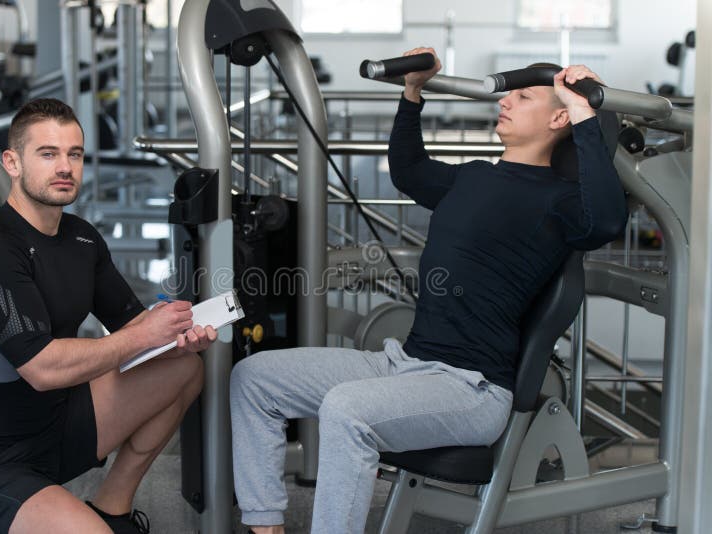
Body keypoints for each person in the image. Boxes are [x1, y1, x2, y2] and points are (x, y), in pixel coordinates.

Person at [229, 48, 627, 534]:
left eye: (523, 97)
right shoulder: (474, 176)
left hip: (470, 388)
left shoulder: (559, 201)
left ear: (559, 116)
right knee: (254, 378)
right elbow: (410, 171)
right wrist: (412, 92)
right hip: (405, 364)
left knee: (345, 410)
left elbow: (607, 219)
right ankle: (264, 526)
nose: (505, 102)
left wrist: (588, 111)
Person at [0, 98, 216, 534]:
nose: (64, 166)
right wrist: (144, 337)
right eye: (48, 154)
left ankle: (112, 510)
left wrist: (176, 334)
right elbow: (42, 368)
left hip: (61, 428)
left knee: (184, 368)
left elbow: (132, 324)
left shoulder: (82, 239)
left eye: (74, 154)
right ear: (12, 162)